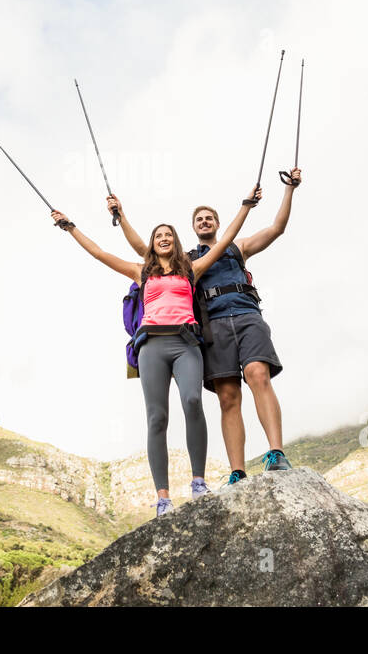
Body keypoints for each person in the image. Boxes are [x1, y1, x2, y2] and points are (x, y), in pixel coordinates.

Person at [50, 185, 260, 516]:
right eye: (158, 235)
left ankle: (198, 482)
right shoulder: (141, 272)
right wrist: (71, 226)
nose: (164, 238)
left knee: (192, 401)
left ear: (176, 242)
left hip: (186, 343)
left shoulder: (193, 268)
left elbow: (225, 240)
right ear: (152, 243)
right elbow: (99, 252)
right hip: (151, 346)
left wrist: (246, 206)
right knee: (157, 418)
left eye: (169, 235)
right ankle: (162, 496)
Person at [109, 167, 300, 486]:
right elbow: (144, 251)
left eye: (209, 217)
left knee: (258, 374)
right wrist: (122, 216)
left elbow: (277, 227)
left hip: (245, 313)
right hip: (212, 326)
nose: (204, 221)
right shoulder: (184, 260)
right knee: (227, 395)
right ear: (193, 228)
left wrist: (289, 190)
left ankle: (276, 453)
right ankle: (237, 471)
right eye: (198, 219)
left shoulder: (238, 246)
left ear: (217, 222)